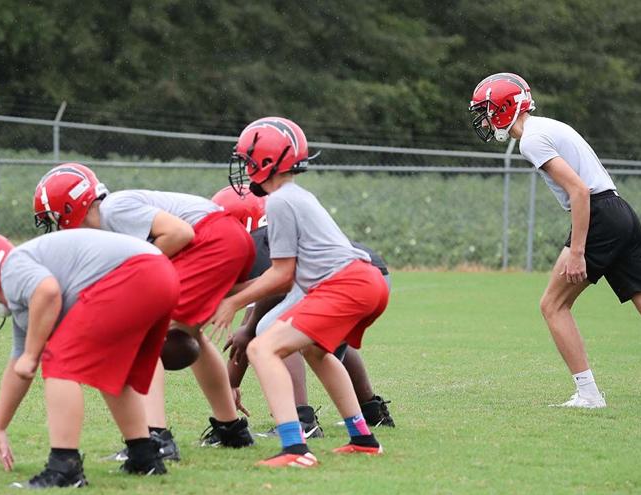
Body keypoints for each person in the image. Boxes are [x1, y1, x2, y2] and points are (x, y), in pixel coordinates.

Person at [32, 164, 256, 459]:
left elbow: (179, 232)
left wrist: (137, 271)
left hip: (213, 240)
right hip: (225, 239)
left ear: (72, 206)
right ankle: (232, 429)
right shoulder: (111, 222)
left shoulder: (113, 209)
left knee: (145, 333)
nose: (58, 226)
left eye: (56, 217)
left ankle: (156, 438)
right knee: (190, 334)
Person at [208, 117, 387, 468]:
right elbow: (289, 278)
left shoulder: (279, 202)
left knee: (262, 348)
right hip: (365, 282)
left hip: (346, 285)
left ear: (266, 161)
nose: (245, 168)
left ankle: (294, 446)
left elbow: (281, 275)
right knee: (317, 352)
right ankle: (363, 438)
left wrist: (232, 301)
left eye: (248, 160)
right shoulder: (297, 196)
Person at [0, 229, 179, 488]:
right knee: (113, 370)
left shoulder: (12, 269)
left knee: (58, 360)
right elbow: (18, 365)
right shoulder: (25, 292)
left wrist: (34, 354)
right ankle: (144, 457)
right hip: (160, 273)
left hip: (136, 272)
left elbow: (47, 291)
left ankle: (64, 468)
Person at [469, 72, 641, 408]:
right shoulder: (546, 127)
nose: (485, 118)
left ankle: (589, 394)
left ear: (506, 108)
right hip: (619, 211)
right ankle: (587, 394)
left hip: (598, 215)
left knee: (553, 305)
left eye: (487, 110)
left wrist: (578, 251)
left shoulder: (530, 140)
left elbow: (579, 190)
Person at [212, 186, 395, 436]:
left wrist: (231, 384)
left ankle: (301, 421)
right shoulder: (284, 222)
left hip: (350, 279)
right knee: (320, 344)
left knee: (274, 331)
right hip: (372, 273)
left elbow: (256, 318)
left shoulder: (261, 240)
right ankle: (370, 414)